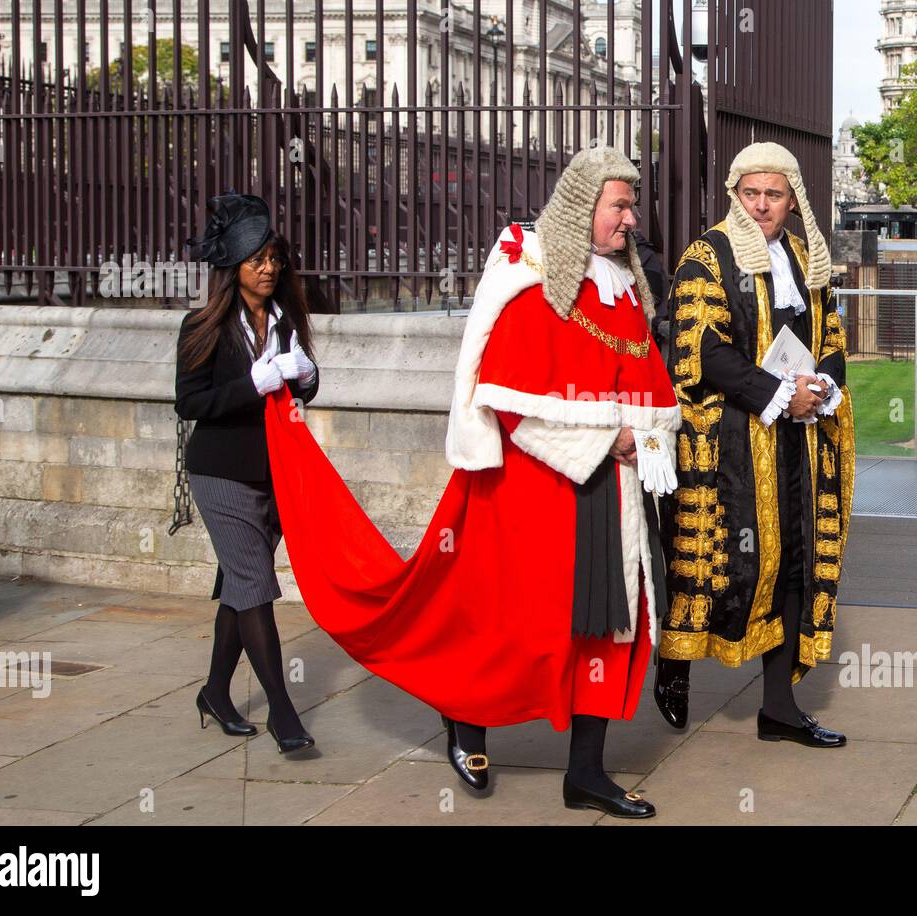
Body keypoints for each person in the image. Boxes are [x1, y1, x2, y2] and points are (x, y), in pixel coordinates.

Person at [259, 147, 682, 818]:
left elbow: (652, 386)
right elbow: (510, 402)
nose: (631, 219)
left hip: (612, 489)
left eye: (631, 205)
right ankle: (466, 717)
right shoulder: (533, 283)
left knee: (610, 624)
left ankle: (586, 774)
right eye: (619, 205)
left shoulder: (625, 289)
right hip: (530, 492)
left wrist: (649, 437)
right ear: (583, 208)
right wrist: (607, 439)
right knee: (507, 624)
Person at [654, 141, 854, 748]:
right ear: (734, 195)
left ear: (793, 201)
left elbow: (835, 334)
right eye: (751, 193)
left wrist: (822, 383)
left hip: (796, 440)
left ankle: (780, 710)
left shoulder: (805, 256)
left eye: (774, 195)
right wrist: (776, 393)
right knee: (713, 564)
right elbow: (702, 352)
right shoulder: (705, 255)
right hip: (730, 446)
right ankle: (675, 663)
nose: (761, 205)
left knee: (792, 562)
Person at [176, 192, 320, 754]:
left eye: (274, 258)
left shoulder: (286, 319)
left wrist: (303, 377)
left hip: (277, 474)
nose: (268, 268)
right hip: (221, 473)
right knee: (256, 586)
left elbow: (305, 384)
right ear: (232, 265)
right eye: (256, 258)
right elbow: (191, 403)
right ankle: (284, 712)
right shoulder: (202, 325)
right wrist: (252, 385)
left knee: (240, 585)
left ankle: (215, 691)